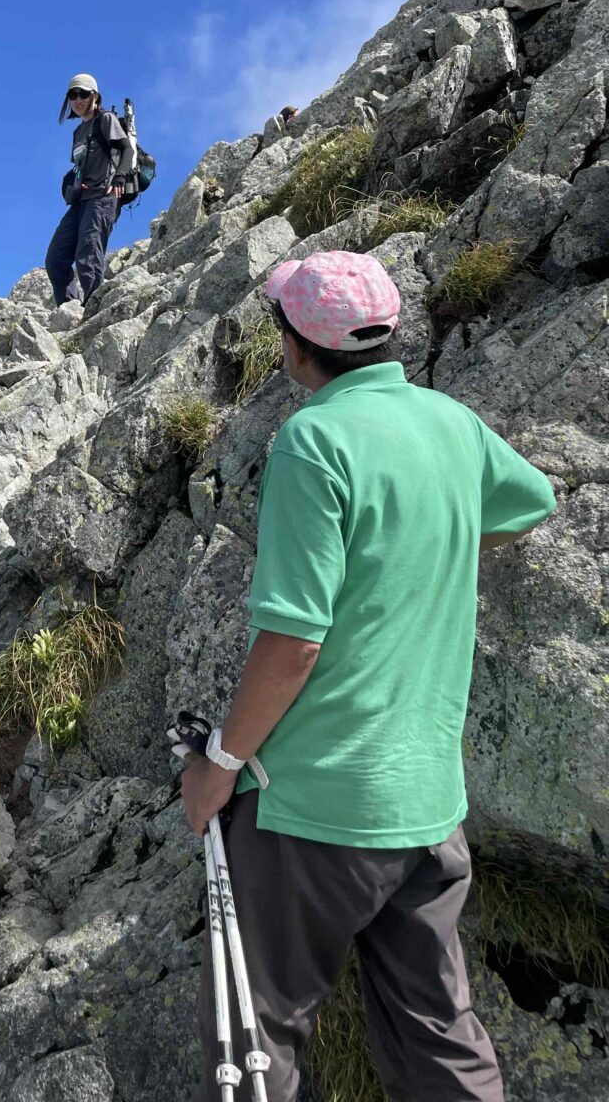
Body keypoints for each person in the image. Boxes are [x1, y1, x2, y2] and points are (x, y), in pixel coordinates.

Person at [179, 250, 556, 1102]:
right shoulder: (450, 424)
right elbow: (533, 499)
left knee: (255, 1035)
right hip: (426, 806)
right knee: (440, 1036)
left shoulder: (314, 438)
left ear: (295, 346)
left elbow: (293, 643)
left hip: (313, 808)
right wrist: (437, 546)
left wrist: (219, 769)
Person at [44, 73, 137, 307]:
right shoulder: (77, 133)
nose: (78, 99)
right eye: (73, 95)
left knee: (87, 254)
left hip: (103, 197)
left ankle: (94, 310)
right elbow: (79, 166)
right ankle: (70, 309)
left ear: (95, 96)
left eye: (83, 94)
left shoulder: (105, 119)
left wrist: (119, 178)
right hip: (81, 201)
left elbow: (126, 150)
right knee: (55, 259)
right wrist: (73, 185)